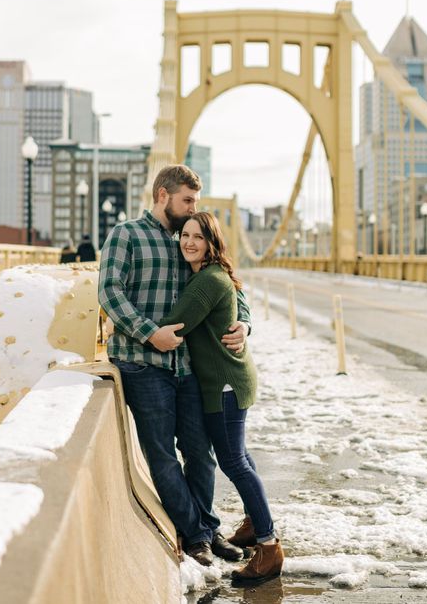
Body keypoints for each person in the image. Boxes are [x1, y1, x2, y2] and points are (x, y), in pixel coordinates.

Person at [98, 165, 250, 567]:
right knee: (162, 454)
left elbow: (228, 283)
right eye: (187, 201)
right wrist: (150, 333)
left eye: (196, 203)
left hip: (186, 366)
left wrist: (244, 322)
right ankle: (199, 535)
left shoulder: (192, 240)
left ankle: (204, 526)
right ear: (163, 195)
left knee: (201, 453)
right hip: (141, 363)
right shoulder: (126, 234)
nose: (192, 210)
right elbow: (109, 293)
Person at [160, 212, 283, 585]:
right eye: (184, 235)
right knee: (240, 457)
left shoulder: (206, 282)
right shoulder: (211, 275)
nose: (188, 242)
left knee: (234, 462)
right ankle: (252, 525)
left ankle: (268, 545)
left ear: (212, 244)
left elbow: (175, 324)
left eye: (198, 237)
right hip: (232, 380)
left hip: (224, 386)